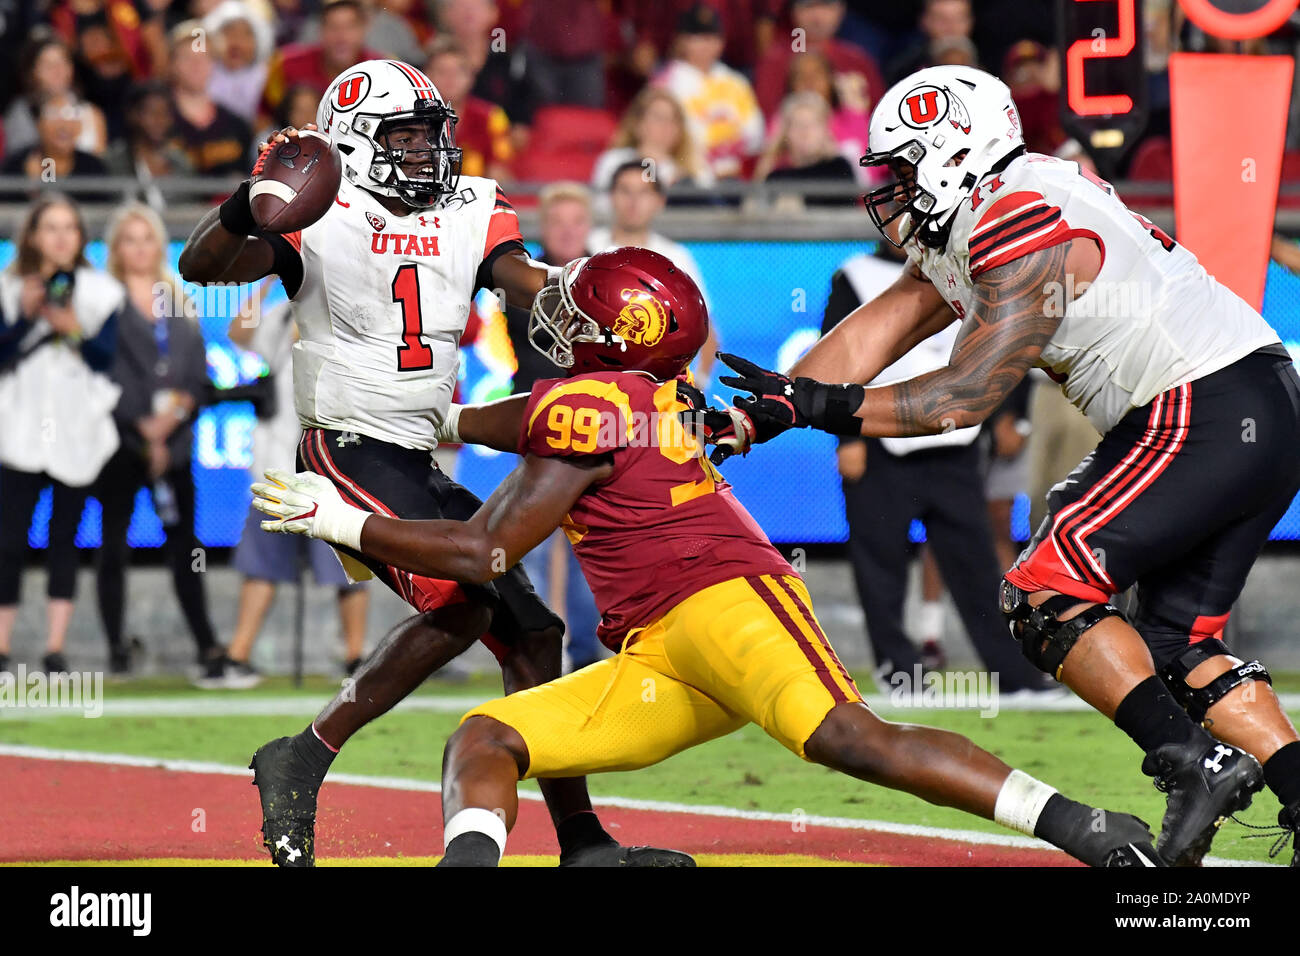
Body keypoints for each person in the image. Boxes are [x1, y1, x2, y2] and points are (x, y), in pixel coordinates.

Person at [250, 247, 1161, 869]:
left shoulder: (592, 407)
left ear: (613, 338)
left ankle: (1083, 828)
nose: (555, 316)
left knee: (852, 739)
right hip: (658, 651)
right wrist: (435, 419)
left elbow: (486, 552)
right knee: (486, 736)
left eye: (576, 309)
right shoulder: (641, 396)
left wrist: (344, 520)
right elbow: (508, 416)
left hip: (730, 605)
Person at [705, 64, 1300, 865]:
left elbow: (966, 393)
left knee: (1043, 594)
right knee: (1172, 644)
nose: (891, 191)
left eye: (904, 168)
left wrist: (823, 409)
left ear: (955, 152)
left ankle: (1191, 764)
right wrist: (762, 410)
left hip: (1205, 405)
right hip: (1248, 402)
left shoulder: (1016, 213)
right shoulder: (990, 208)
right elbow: (873, 335)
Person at [178, 59, 685, 869]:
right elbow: (201, 269)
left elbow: (523, 282)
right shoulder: (320, 210)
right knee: (465, 604)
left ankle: (583, 842)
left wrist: (586, 296)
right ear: (351, 140)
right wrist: (250, 202)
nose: (426, 151)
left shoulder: (472, 203)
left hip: (414, 448)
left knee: (535, 633)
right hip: (344, 442)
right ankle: (305, 757)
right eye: (405, 136)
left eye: (431, 133)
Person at [821, 243, 1052, 694]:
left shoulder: (969, 269)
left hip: (955, 443)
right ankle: (900, 671)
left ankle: (1013, 672)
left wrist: (1012, 414)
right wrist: (846, 437)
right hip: (878, 444)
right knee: (880, 565)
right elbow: (836, 358)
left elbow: (1007, 343)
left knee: (978, 567)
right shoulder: (855, 275)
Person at [96, 202, 222, 682]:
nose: (139, 248)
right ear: (116, 249)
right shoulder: (103, 300)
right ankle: (114, 648)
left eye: (146, 238)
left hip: (176, 443)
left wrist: (173, 419)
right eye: (129, 239)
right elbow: (104, 372)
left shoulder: (179, 301)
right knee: (113, 546)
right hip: (119, 445)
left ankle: (207, 646)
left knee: (185, 546)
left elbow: (197, 374)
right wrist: (141, 426)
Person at [0, 194, 122, 677]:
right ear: (32, 235)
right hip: (19, 424)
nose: (60, 237)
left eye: (69, 227)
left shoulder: (100, 292)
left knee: (63, 540)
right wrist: (28, 316)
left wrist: (71, 329)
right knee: (8, 541)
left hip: (76, 426)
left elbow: (104, 360)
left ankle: (54, 649)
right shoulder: (10, 288)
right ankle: (4, 648)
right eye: (49, 227)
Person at [225, 290, 370, 687]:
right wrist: (268, 276)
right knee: (262, 563)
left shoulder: (347, 307)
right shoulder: (277, 313)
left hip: (333, 463)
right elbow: (237, 332)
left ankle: (356, 658)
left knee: (348, 561)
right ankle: (238, 656)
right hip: (277, 463)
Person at [506, 182, 602, 672]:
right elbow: (542, 349)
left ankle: (591, 645)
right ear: (544, 226)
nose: (567, 230)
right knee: (540, 537)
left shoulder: (609, 274)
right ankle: (547, 645)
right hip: (543, 418)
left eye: (575, 221)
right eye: (558, 221)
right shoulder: (521, 279)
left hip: (602, 424)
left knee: (598, 536)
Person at [587, 159, 717, 384]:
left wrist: (698, 385)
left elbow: (705, 331)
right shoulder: (587, 246)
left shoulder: (676, 257)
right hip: (593, 382)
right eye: (625, 191)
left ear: (659, 201)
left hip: (657, 391)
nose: (633, 201)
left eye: (644, 192)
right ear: (610, 197)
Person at [651, 3, 764, 180]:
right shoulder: (665, 83)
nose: (706, 44)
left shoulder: (735, 81)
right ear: (681, 40)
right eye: (697, 37)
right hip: (689, 175)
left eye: (712, 37)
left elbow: (755, 132)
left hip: (737, 175)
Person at [753, 0, 885, 119]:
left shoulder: (858, 60)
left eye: (827, 5)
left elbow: (880, 118)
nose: (817, 16)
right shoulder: (774, 62)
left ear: (841, 9)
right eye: (808, 6)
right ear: (793, 11)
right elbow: (766, 118)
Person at [590, 86, 711, 195]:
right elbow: (601, 206)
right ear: (638, 124)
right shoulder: (614, 160)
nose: (666, 126)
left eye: (674, 120)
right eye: (659, 118)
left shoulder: (695, 168)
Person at [168, 21, 253, 177]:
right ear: (173, 64)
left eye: (205, 57)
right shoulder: (159, 123)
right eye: (187, 58)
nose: (196, 66)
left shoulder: (237, 125)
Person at [3, 33, 108, 159]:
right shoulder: (20, 113)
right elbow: (19, 167)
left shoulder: (92, 114)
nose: (57, 71)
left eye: (63, 62)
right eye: (48, 65)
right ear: (32, 72)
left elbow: (99, 171)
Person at [425, 36, 513, 183]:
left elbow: (501, 172)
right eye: (442, 71)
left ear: (471, 77)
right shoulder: (410, 118)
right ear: (426, 76)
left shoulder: (491, 116)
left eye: (458, 72)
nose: (450, 79)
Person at [754, 91, 858, 207]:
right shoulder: (776, 177)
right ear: (786, 133)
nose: (805, 132)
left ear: (825, 130)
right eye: (797, 124)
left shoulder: (840, 168)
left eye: (813, 124)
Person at [0, 93, 110, 202]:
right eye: (54, 115)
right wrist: (32, 186)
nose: (63, 125)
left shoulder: (93, 167)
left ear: (79, 126)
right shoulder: (18, 164)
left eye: (70, 115)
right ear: (39, 124)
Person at [104, 82, 194, 210]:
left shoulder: (182, 162)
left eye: (165, 114)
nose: (159, 120)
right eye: (151, 113)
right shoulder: (113, 160)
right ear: (132, 115)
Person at [202, 1, 273, 126]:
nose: (237, 43)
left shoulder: (267, 77)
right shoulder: (201, 72)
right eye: (229, 32)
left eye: (246, 34)